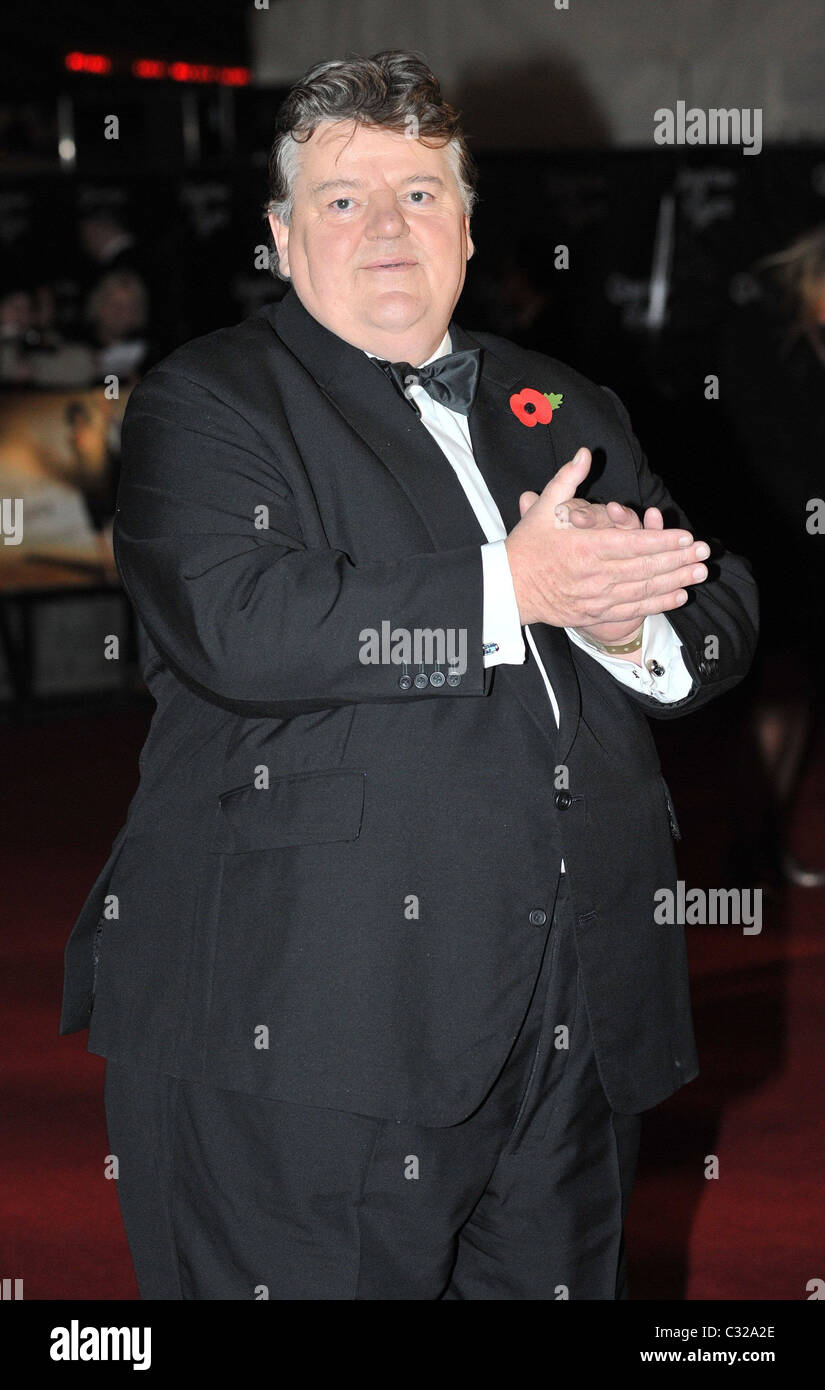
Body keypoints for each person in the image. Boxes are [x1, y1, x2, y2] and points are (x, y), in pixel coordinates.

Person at [60, 50, 757, 1301]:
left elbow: (715, 598)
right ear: (281, 237)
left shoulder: (562, 403)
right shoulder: (205, 402)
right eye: (343, 199)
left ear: (470, 228)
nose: (388, 226)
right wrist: (516, 589)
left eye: (422, 193)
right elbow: (242, 623)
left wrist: (625, 623)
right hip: (310, 1022)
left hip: (575, 1023)